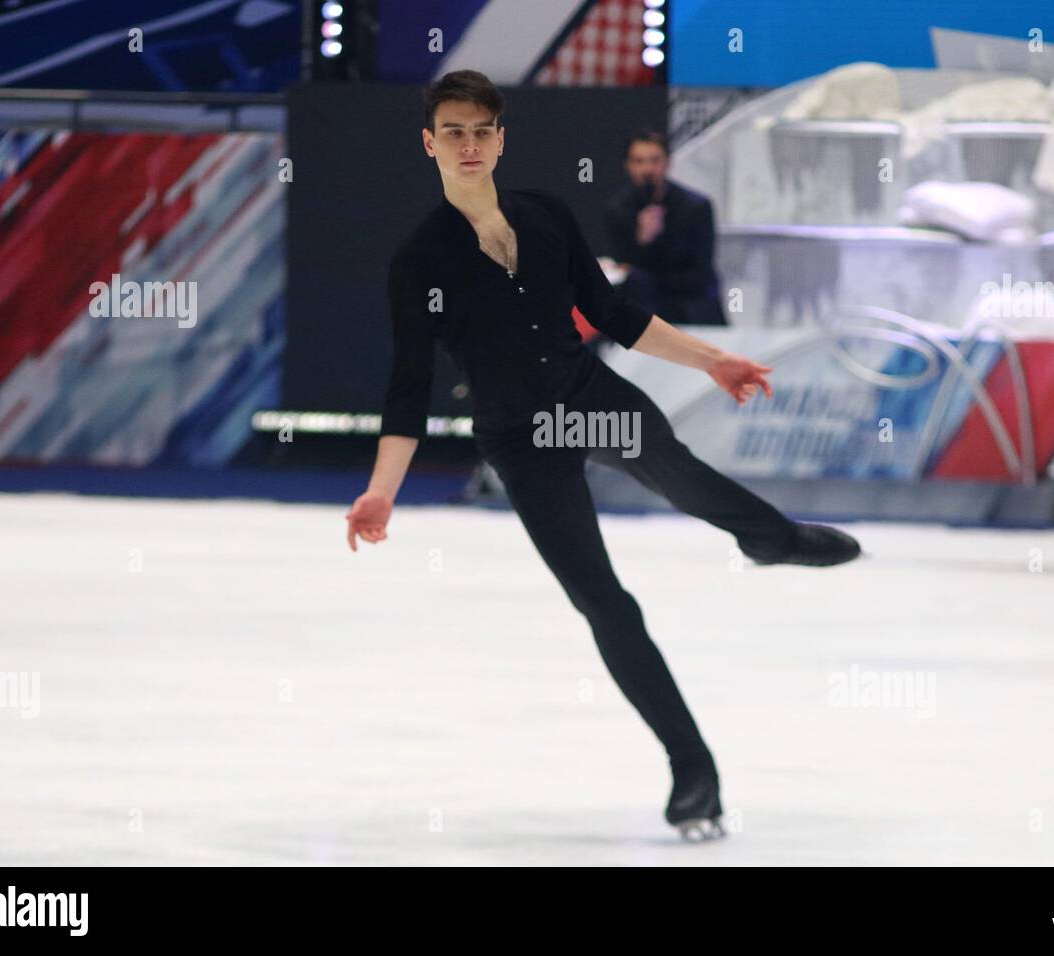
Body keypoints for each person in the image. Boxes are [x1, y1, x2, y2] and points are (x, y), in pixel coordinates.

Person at [344, 70, 862, 841]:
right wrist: (382, 491)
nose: (469, 143)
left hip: (590, 403)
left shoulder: (547, 218)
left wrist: (711, 360)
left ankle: (770, 538)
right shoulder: (420, 261)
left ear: (501, 138)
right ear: (430, 143)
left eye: (482, 129)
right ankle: (693, 771)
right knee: (606, 604)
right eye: (453, 131)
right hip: (520, 440)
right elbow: (408, 390)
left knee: (679, 471)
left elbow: (615, 313)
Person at [604, 130, 727, 327]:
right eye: (639, 161)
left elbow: (700, 271)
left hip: (692, 308)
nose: (647, 169)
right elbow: (623, 267)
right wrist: (642, 240)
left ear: (667, 162)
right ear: (628, 165)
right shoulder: (619, 209)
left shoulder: (695, 207)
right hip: (643, 310)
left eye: (654, 160)